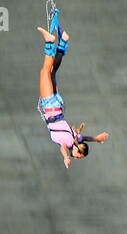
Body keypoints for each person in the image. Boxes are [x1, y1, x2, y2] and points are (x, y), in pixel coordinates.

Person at [36, 9, 108, 169]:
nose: (75, 158)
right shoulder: (69, 143)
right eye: (77, 156)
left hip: (57, 104)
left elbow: (85, 139)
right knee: (44, 72)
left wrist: (96, 139)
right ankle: (49, 41)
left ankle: (62, 43)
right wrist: (65, 158)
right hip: (50, 107)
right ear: (76, 150)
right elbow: (63, 148)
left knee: (51, 71)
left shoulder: (76, 139)